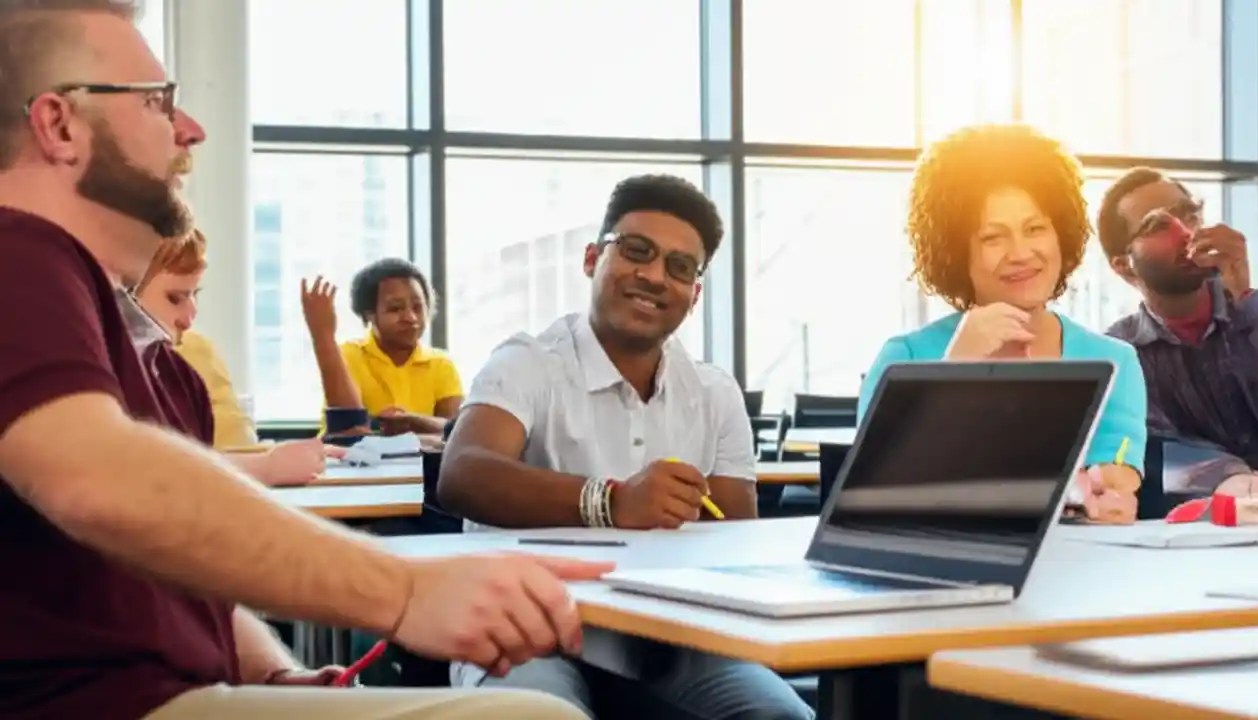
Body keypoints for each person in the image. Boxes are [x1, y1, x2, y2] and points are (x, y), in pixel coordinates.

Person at [0, 3, 605, 719]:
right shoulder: (18, 254)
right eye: (157, 102)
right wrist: (406, 592)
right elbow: (93, 478)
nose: (191, 128)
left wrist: (280, 676)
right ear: (59, 124)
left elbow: (184, 588)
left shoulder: (161, 368)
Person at [439, 174, 813, 719]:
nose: (655, 276)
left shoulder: (713, 391)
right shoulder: (527, 362)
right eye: (637, 251)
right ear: (592, 259)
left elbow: (736, 534)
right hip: (527, 627)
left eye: (680, 267)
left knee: (783, 717)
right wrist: (612, 502)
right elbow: (464, 474)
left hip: (673, 639)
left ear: (695, 295)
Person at [858, 124, 1148, 524]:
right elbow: (875, 497)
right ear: (957, 253)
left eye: (1035, 229)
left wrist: (1107, 497)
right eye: (993, 238)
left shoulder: (1115, 360)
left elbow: (1114, 475)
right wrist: (957, 368)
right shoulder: (905, 357)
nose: (1020, 253)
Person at [1096, 167, 1258, 498]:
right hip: (1214, 524)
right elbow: (1160, 459)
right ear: (1123, 265)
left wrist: (1244, 304)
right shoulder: (1121, 355)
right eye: (1156, 225)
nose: (1185, 232)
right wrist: (1239, 481)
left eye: (1188, 214)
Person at [133, 229, 336, 485]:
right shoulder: (109, 375)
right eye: (175, 298)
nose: (189, 318)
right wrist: (266, 466)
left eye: (195, 294)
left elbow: (210, 458)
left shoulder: (183, 370)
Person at [302, 258, 463, 438]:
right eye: (395, 309)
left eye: (418, 307)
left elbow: (456, 431)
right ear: (369, 314)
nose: (411, 317)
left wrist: (411, 421)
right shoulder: (349, 354)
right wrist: (323, 336)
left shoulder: (441, 364)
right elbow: (348, 427)